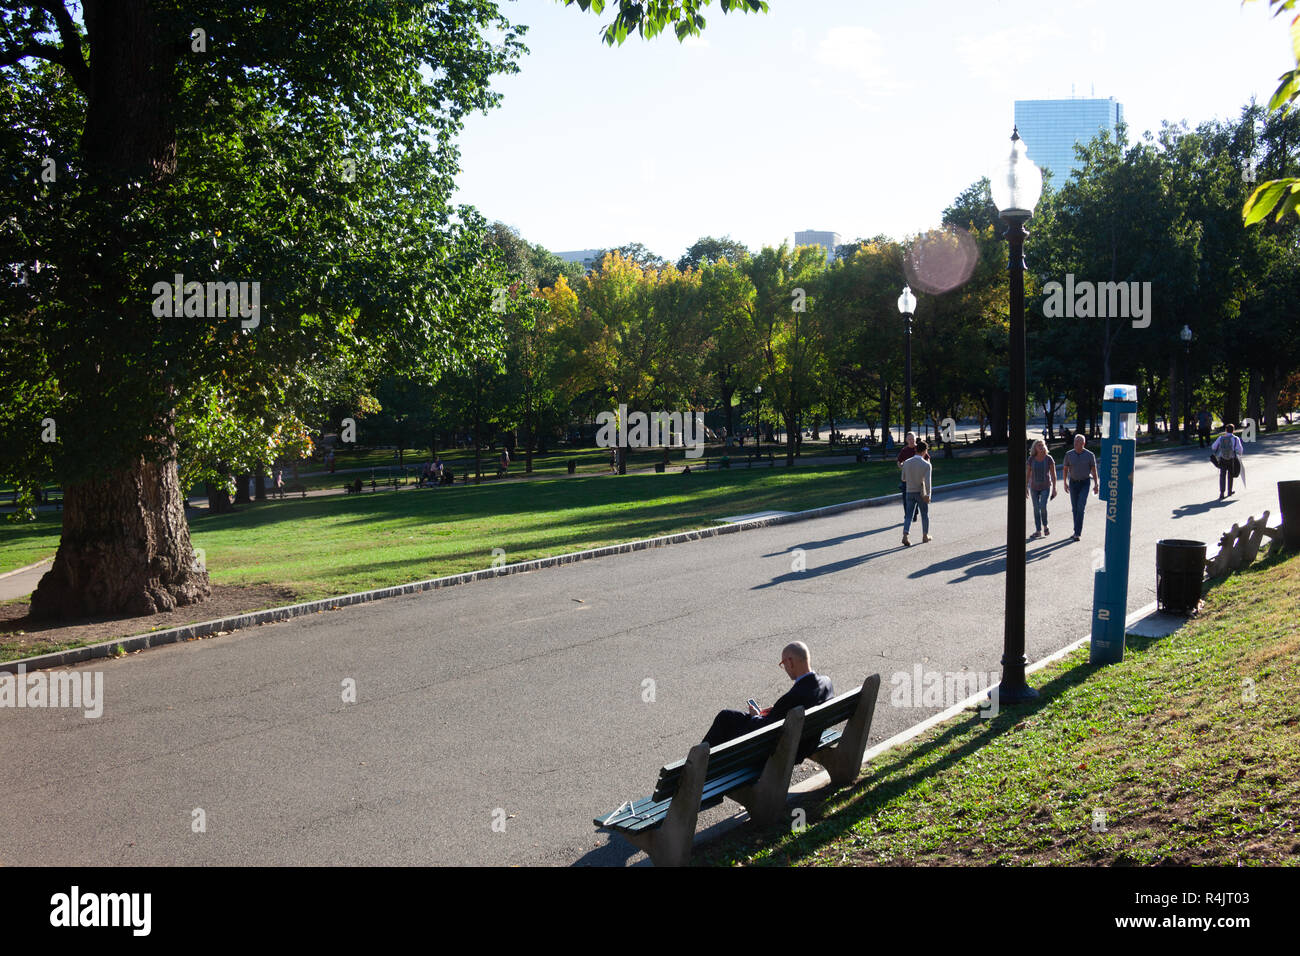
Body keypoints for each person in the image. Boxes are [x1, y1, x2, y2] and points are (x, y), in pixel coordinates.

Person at [701, 641, 834, 748]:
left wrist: (755, 716)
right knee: (728, 716)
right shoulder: (827, 682)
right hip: (808, 740)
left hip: (785, 748)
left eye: (783, 664)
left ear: (791, 662)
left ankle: (697, 767)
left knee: (724, 720)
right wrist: (773, 711)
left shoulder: (792, 697)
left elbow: (765, 729)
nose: (785, 668)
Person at [1061, 434, 1099, 541]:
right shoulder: (1069, 454)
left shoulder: (1090, 455)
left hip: (1085, 483)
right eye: (1075, 441)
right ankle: (1076, 531)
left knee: (1081, 506)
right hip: (1073, 483)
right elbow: (1065, 469)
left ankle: (1077, 532)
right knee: (1075, 508)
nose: (1076, 443)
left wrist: (1096, 484)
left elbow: (1094, 470)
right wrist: (1064, 483)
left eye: (1078, 441)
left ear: (1083, 443)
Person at [900, 439, 932, 545]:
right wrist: (928, 494)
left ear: (916, 450)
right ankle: (925, 535)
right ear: (924, 451)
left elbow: (903, 478)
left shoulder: (907, 462)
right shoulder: (926, 465)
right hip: (920, 492)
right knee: (924, 514)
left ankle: (905, 534)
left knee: (908, 515)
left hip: (909, 491)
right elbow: (928, 482)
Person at [896, 431, 930, 524]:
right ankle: (908, 516)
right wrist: (903, 468)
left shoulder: (919, 448)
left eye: (913, 439)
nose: (911, 441)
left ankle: (914, 512)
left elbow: (927, 459)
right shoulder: (904, 450)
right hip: (907, 479)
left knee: (919, 498)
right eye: (909, 439)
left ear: (915, 438)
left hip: (918, 479)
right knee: (906, 499)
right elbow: (899, 462)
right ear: (906, 440)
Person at [1026, 438, 1057, 538]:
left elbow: (1053, 474)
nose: (1041, 446)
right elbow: (1027, 474)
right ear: (1034, 447)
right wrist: (1025, 487)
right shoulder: (1031, 459)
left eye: (1042, 445)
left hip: (1045, 486)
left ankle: (1045, 525)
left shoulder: (1049, 458)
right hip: (1034, 487)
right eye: (1038, 445)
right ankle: (1038, 531)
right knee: (1036, 509)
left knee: (1043, 506)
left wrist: (1054, 488)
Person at [1211, 423, 1244, 499]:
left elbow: (1213, 447)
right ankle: (1229, 491)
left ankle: (1222, 493)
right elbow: (1240, 450)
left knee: (1222, 475)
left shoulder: (1220, 438)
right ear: (1233, 430)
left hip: (1222, 458)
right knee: (1230, 475)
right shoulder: (1236, 439)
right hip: (1232, 459)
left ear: (1226, 430)